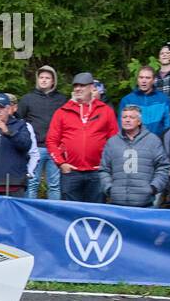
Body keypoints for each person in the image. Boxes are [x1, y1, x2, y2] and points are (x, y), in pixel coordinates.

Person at [47, 72, 119, 203]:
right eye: (75, 86)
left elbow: (114, 140)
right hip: (71, 172)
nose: (78, 89)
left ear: (92, 88)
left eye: (82, 86)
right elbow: (51, 141)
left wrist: (106, 165)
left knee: (97, 213)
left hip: (97, 172)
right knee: (70, 215)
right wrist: (61, 163)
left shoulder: (105, 110)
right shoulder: (62, 112)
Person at [99, 105, 170, 208]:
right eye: (124, 117)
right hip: (117, 205)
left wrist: (153, 188)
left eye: (131, 117)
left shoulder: (153, 141)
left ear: (139, 121)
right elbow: (104, 169)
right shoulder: (112, 142)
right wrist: (109, 189)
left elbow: (163, 167)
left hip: (145, 205)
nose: (127, 120)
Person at [17, 65, 67, 199]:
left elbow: (67, 123)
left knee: (55, 185)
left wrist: (63, 144)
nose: (44, 80)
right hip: (34, 149)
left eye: (47, 78)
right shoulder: (27, 99)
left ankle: (54, 215)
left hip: (55, 149)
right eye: (41, 77)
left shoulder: (62, 100)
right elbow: (19, 122)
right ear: (37, 79)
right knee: (32, 183)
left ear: (53, 81)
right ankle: (29, 215)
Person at [119, 65, 170, 139]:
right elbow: (121, 125)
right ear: (137, 79)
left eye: (148, 78)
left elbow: (168, 125)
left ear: (153, 80)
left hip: (158, 142)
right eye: (141, 77)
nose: (144, 81)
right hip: (134, 143)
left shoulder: (163, 99)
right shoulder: (127, 100)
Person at [156, 43, 170, 109]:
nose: (165, 55)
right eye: (162, 53)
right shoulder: (154, 77)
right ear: (159, 59)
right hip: (160, 116)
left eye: (168, 53)